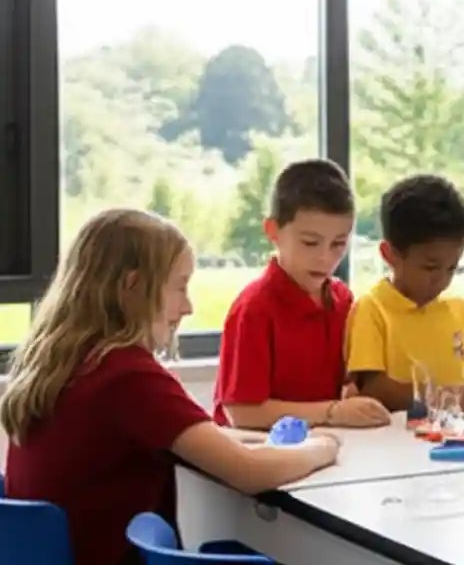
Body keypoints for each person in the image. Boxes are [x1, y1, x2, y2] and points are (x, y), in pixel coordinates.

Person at [1, 209, 339, 565]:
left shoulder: (60, 361)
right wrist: (322, 447)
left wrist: (261, 441)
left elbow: (193, 437)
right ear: (132, 287)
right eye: (180, 287)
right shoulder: (125, 375)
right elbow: (248, 471)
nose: (188, 307)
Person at [212, 158, 389, 429]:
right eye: (310, 242)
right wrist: (333, 411)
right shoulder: (254, 308)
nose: (325, 258)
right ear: (273, 231)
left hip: (323, 442)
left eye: (338, 244)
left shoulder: (343, 301)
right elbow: (243, 413)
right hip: (255, 447)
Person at [346, 174, 464, 416]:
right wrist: (450, 397)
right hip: (397, 438)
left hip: (456, 436)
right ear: (390, 255)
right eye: (430, 268)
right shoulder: (372, 309)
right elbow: (375, 390)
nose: (442, 280)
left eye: (452, 268)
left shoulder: (457, 309)